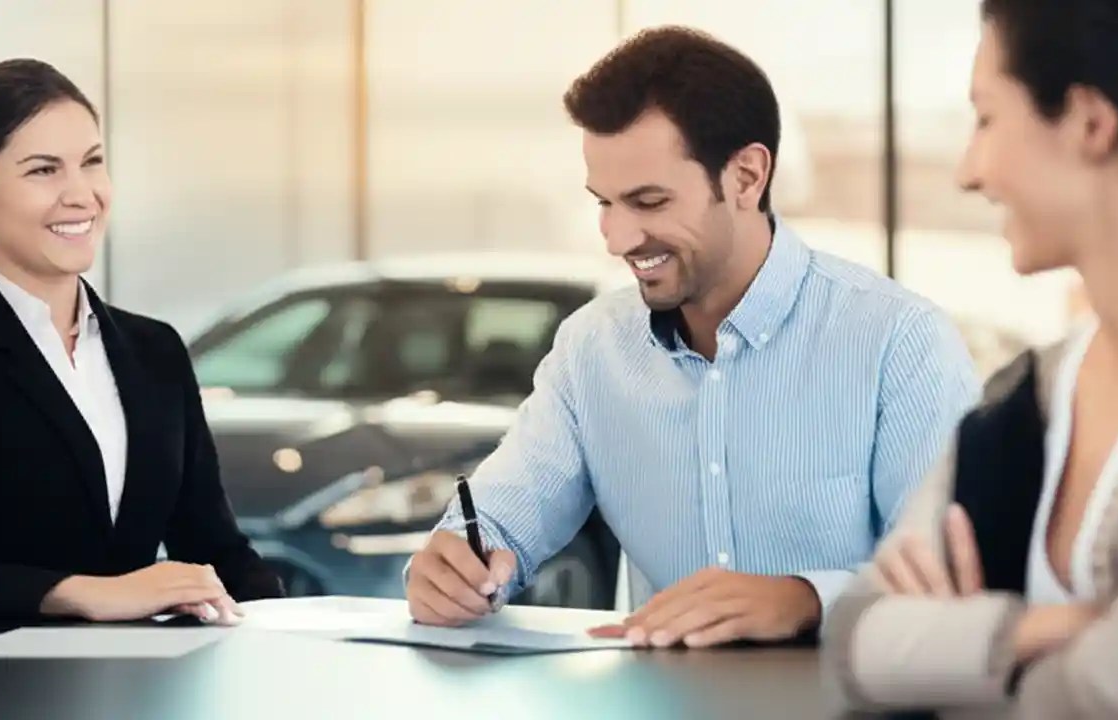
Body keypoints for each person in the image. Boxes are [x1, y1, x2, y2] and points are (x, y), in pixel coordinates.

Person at [405, 26, 980, 648]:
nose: (617, 238)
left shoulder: (898, 342)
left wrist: (806, 598)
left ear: (746, 177)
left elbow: (955, 583)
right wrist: (453, 570)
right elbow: (498, 523)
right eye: (605, 202)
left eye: (648, 202)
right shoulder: (592, 350)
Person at [0, 58, 282, 628]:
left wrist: (304, 631)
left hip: (139, 694)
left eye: (92, 162)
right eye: (43, 170)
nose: (81, 194)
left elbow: (217, 550)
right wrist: (83, 593)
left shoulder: (155, 352)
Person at [824, 1, 1118, 716]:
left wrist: (956, 657)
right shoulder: (1021, 400)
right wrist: (1055, 630)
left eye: (986, 118)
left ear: (1089, 120)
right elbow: (855, 636)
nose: (968, 170)